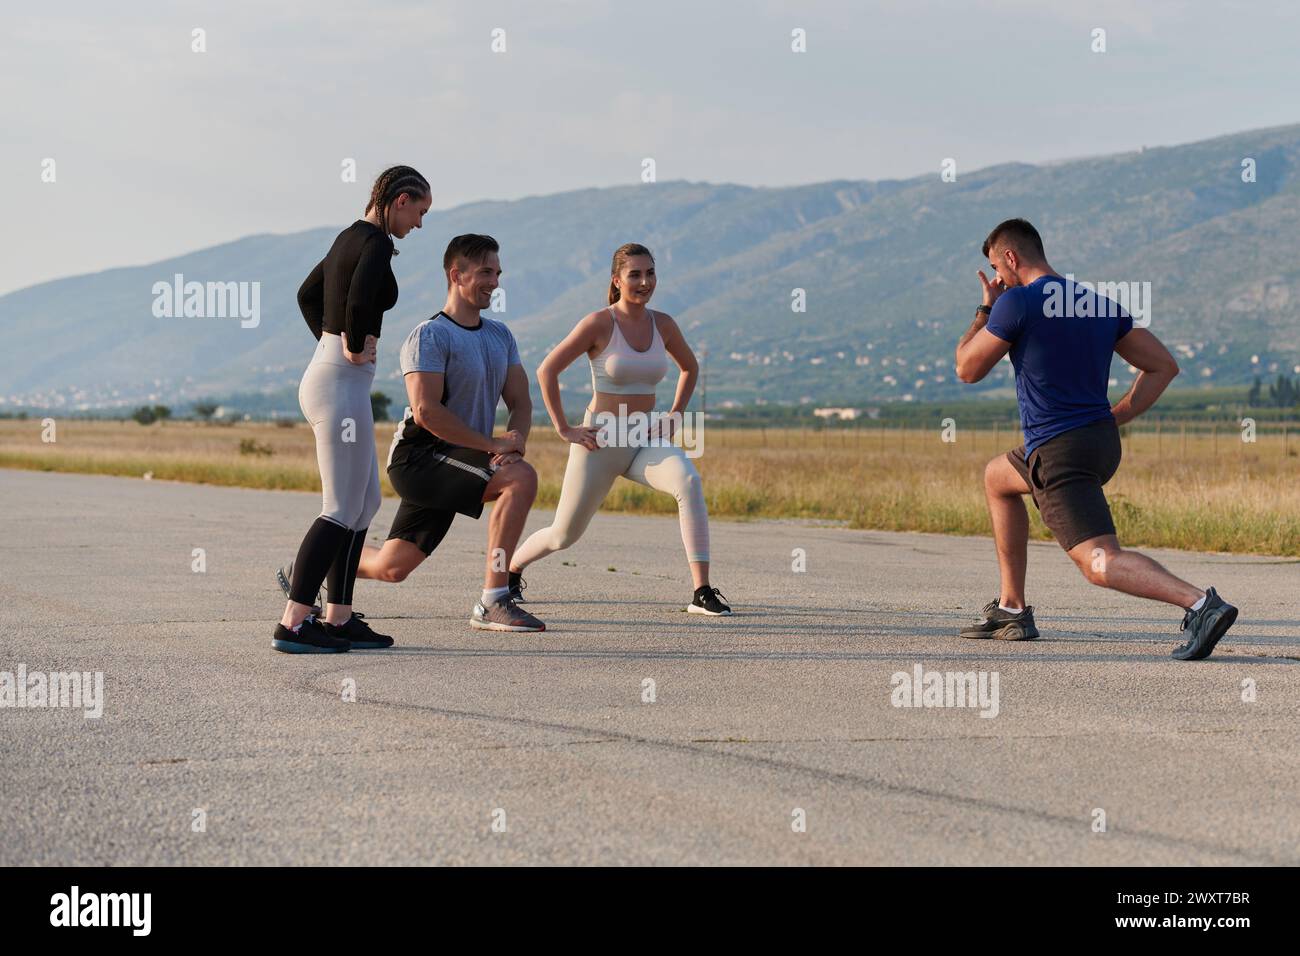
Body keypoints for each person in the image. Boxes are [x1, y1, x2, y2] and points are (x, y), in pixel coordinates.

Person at [954, 218, 1237, 660]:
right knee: (997, 478)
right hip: (1099, 444)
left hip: (1059, 452)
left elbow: (966, 369)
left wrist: (987, 308)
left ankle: (1201, 605)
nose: (997, 278)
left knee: (1099, 562)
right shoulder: (1098, 304)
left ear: (1011, 257)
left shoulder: (1017, 303)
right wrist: (1115, 416)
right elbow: (1164, 366)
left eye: (996, 266)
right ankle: (1012, 608)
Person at [279, 234, 544, 632]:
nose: (495, 281)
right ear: (457, 275)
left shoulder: (500, 336)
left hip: (462, 457)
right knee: (520, 481)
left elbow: (521, 403)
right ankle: (494, 600)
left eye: (498, 273)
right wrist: (493, 446)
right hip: (421, 457)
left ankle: (305, 569)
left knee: (392, 567)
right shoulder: (430, 336)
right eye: (486, 272)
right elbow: (427, 412)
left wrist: (515, 441)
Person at [507, 242, 731, 616]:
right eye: (635, 275)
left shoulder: (665, 325)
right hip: (601, 440)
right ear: (616, 280)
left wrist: (675, 414)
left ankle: (702, 591)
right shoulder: (599, 323)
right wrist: (565, 428)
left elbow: (690, 368)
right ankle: (511, 570)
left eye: (651, 273)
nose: (645, 282)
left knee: (688, 482)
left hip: (645, 439)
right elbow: (547, 370)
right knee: (564, 535)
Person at [271, 166, 430, 654]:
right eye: (419, 212)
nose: (419, 225)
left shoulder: (348, 237)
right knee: (339, 507)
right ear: (400, 200)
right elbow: (360, 297)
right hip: (339, 382)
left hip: (335, 376)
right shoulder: (376, 242)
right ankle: (294, 623)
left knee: (365, 504)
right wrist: (354, 342)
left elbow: (306, 294)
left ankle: (338, 619)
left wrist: (330, 339)